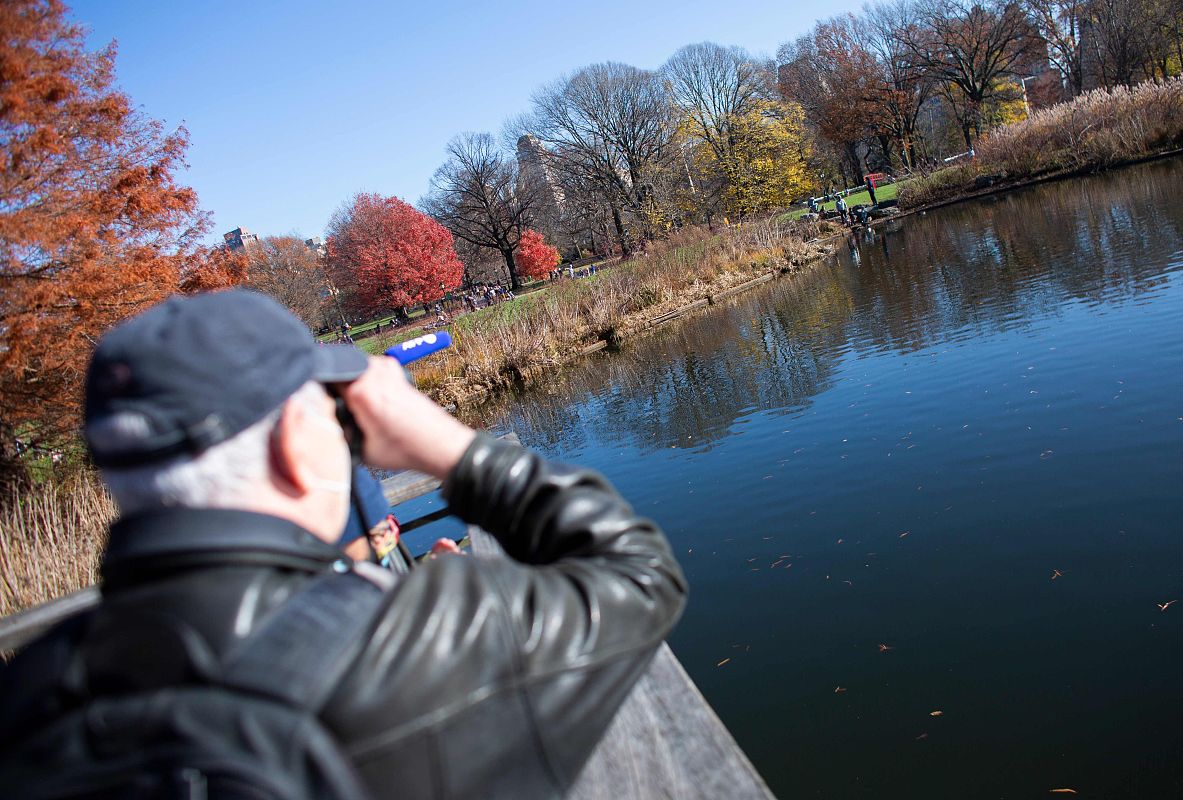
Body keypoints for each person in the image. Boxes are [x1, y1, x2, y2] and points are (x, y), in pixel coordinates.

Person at [0, 289, 687, 799]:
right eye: (329, 415)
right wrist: (445, 442)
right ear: (297, 445)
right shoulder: (433, 639)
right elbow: (639, 575)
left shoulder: (26, 692)